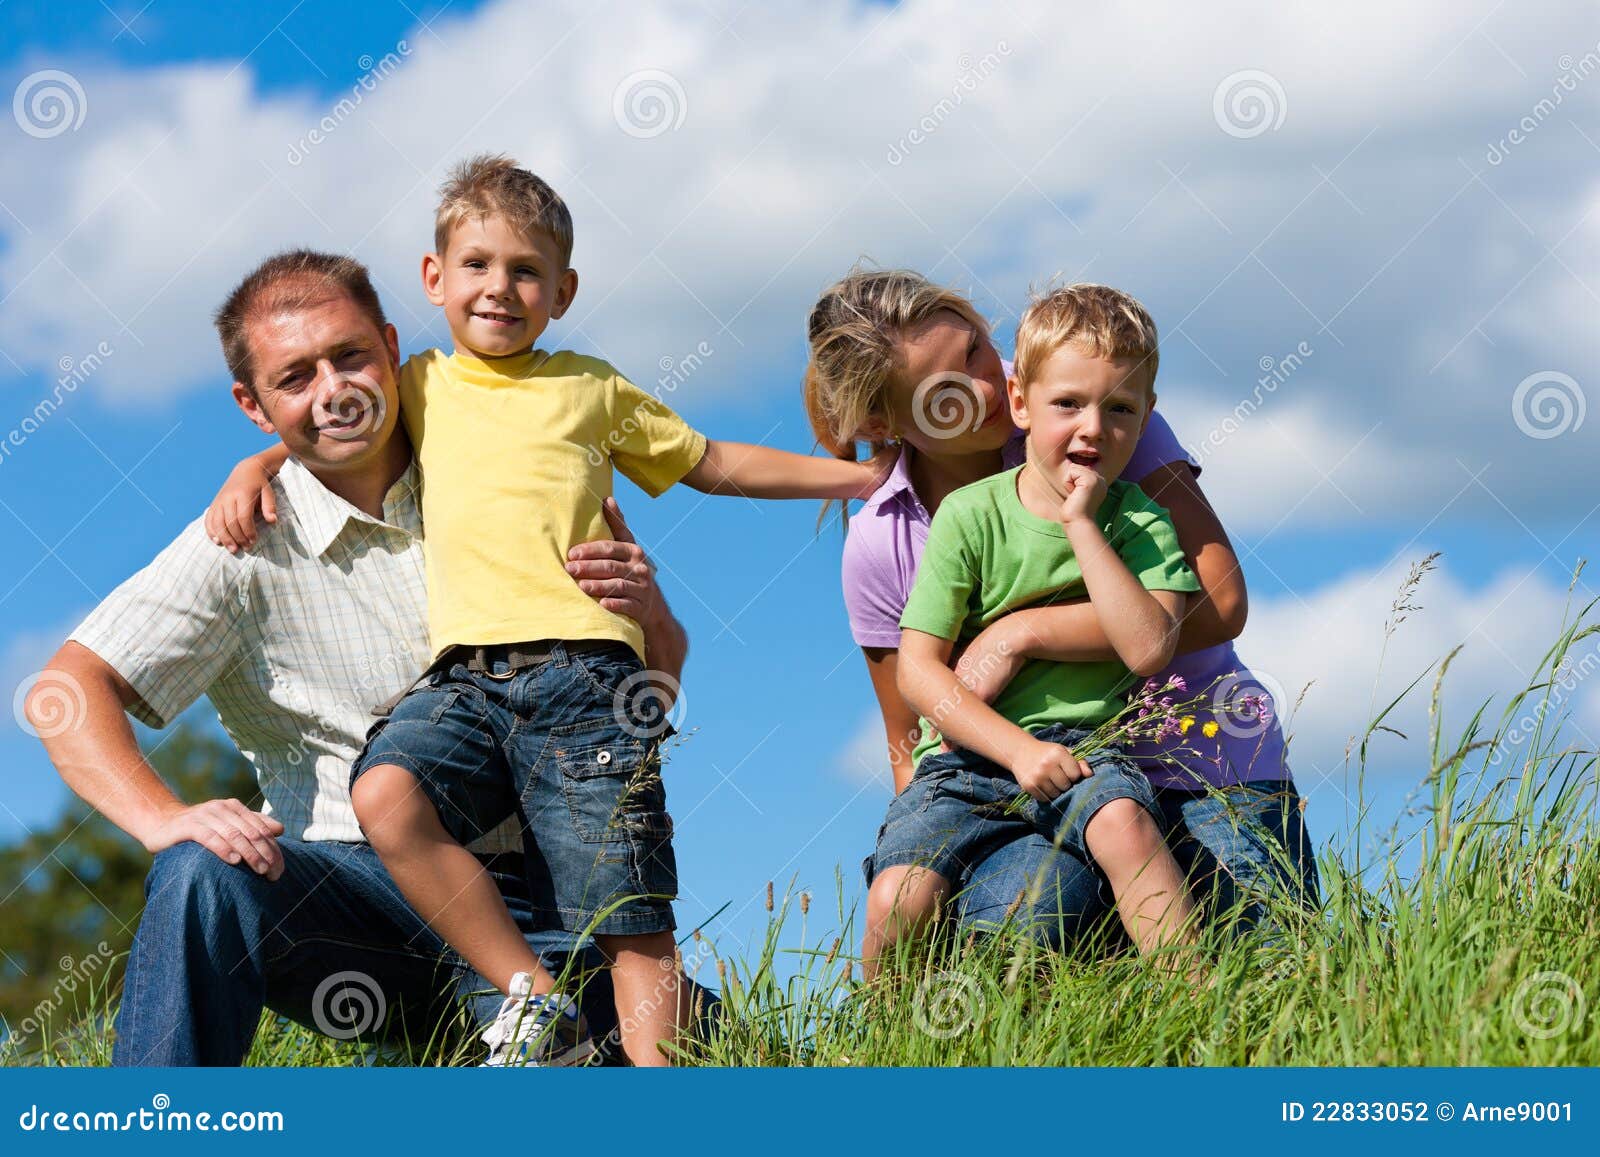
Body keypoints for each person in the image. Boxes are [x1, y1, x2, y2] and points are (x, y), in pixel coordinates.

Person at [214, 155, 893, 1065]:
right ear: (434, 277)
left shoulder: (592, 389)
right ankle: (529, 993)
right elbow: (334, 423)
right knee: (384, 793)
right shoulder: (419, 385)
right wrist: (254, 465)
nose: (500, 287)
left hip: (586, 677)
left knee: (627, 910)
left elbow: (708, 462)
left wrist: (856, 478)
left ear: (562, 292)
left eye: (527, 270)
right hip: (462, 682)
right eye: (478, 265)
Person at [25, 250, 690, 1065]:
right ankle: (157, 1120)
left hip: (542, 898)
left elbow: (651, 693)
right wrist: (163, 818)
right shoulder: (243, 541)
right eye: (294, 377)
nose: (334, 390)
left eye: (350, 356)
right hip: (358, 900)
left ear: (392, 348)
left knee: (689, 1060)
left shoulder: (498, 470)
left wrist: (648, 615)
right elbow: (66, 688)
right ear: (253, 404)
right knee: (202, 871)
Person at [803, 267, 1319, 947]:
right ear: (882, 422)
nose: (987, 387)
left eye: (976, 351)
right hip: (1028, 781)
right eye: (944, 391)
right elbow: (909, 742)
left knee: (1273, 963)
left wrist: (1024, 632)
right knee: (1014, 943)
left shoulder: (1092, 410)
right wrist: (930, 869)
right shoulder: (884, 540)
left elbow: (1219, 601)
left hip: (1197, 760)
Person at [864, 285, 1201, 973]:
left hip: (1087, 748)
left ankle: (1203, 1000)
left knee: (1125, 825)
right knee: (899, 898)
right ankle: (880, 1029)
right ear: (1021, 403)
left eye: (1120, 409)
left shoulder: (1141, 521)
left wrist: (1082, 524)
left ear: (1147, 417)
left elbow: (1149, 646)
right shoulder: (970, 515)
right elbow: (918, 670)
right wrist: (1017, 751)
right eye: (1068, 404)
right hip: (964, 758)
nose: (1093, 428)